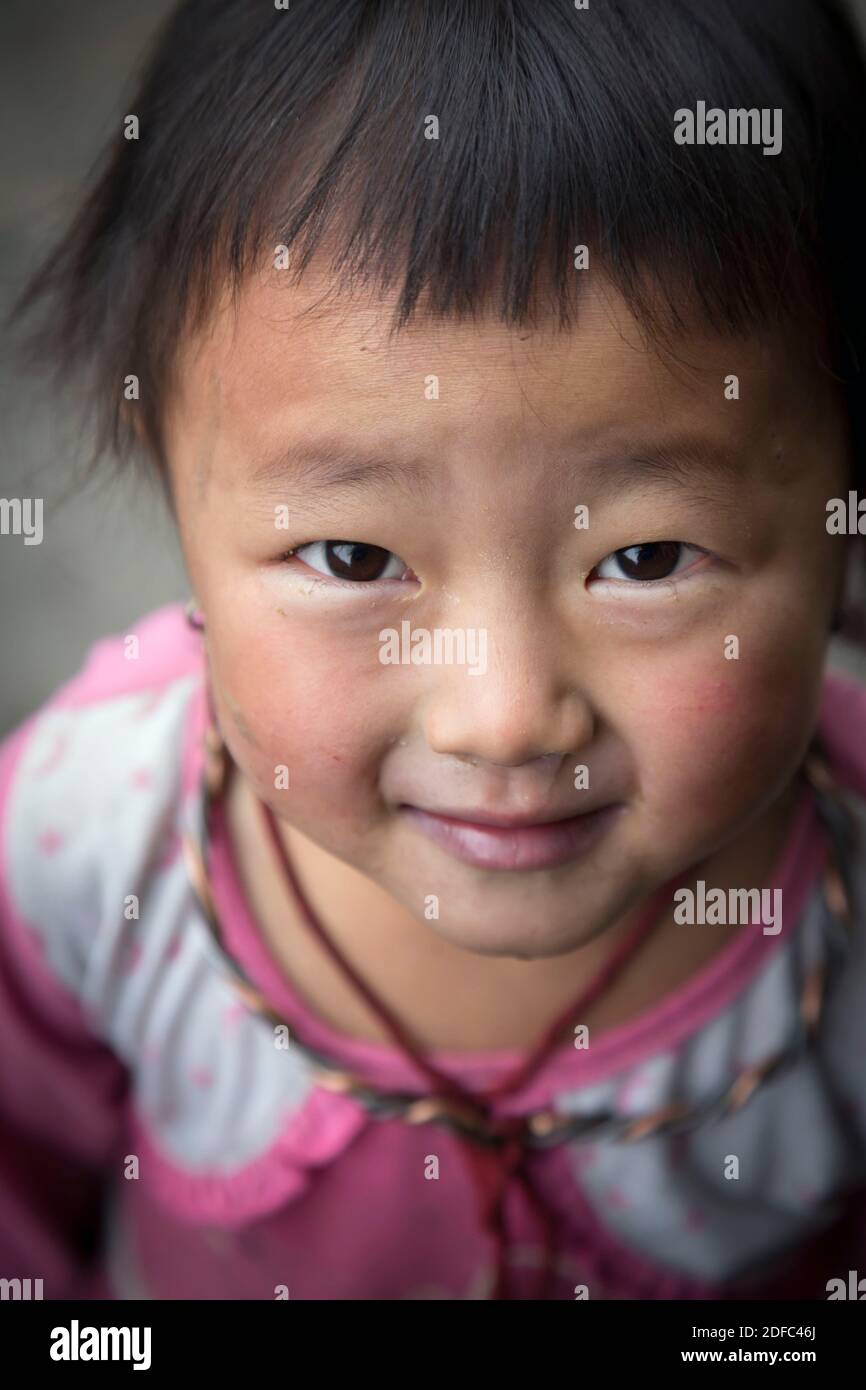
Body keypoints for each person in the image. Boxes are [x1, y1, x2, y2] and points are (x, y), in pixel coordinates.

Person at [2, 0, 866, 1300]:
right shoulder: (85, 839)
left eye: (643, 559)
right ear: (175, 488)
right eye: (353, 558)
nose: (504, 715)